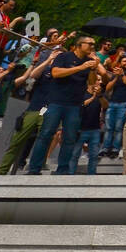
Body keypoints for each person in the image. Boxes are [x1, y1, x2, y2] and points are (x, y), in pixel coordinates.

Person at [26, 36, 105, 175]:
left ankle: (62, 170)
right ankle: (34, 169)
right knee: (45, 134)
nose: (93, 46)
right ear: (79, 45)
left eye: (94, 44)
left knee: (69, 138)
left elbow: (92, 83)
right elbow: (55, 73)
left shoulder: (88, 62)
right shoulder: (64, 56)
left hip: (75, 105)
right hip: (56, 102)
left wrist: (93, 69)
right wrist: (80, 67)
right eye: (90, 44)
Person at [0, 47, 59, 175]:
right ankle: (2, 170)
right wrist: (48, 60)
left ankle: (35, 168)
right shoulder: (45, 69)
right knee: (16, 140)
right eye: (56, 55)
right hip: (34, 109)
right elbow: (33, 75)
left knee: (43, 140)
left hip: (50, 110)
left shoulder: (64, 73)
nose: (57, 58)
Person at [102, 54, 126, 160]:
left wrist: (122, 75)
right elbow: (107, 88)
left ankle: (115, 148)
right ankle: (105, 148)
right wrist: (116, 76)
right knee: (109, 128)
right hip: (112, 103)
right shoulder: (115, 73)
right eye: (125, 61)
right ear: (120, 63)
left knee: (119, 128)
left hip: (125, 103)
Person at [77, 74, 105, 175]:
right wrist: (93, 97)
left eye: (100, 80)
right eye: (98, 80)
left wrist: (99, 96)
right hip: (80, 129)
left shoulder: (100, 94)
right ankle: (70, 175)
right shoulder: (81, 92)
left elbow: (106, 105)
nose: (100, 82)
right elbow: (82, 104)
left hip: (95, 129)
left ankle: (91, 177)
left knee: (93, 156)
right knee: (75, 155)